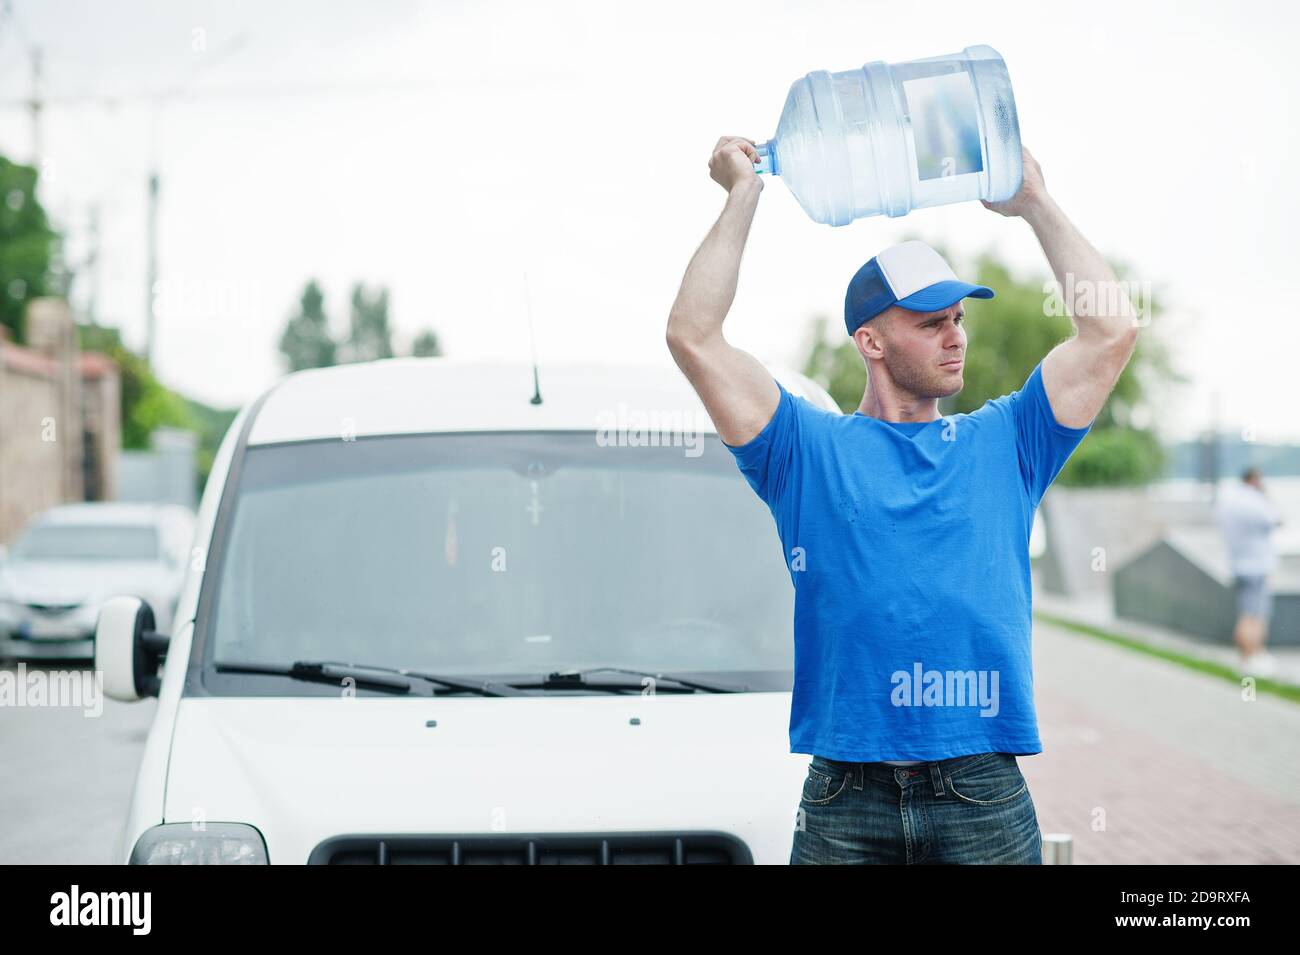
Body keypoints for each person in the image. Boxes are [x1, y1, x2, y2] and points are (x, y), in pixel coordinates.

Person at [665, 136, 1139, 864]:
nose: (955, 337)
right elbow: (693, 334)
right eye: (930, 322)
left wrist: (1035, 203)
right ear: (871, 341)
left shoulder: (1011, 439)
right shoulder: (803, 450)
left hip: (981, 789)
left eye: (957, 319)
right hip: (843, 800)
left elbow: (1110, 329)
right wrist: (743, 195)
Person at [1215, 467, 1285, 677]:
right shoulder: (1255, 500)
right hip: (1258, 564)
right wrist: (1266, 496)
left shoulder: (1229, 501)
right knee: (1256, 614)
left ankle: (1245, 659)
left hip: (1238, 563)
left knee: (1246, 610)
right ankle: (1252, 657)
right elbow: (1277, 519)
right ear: (1255, 481)